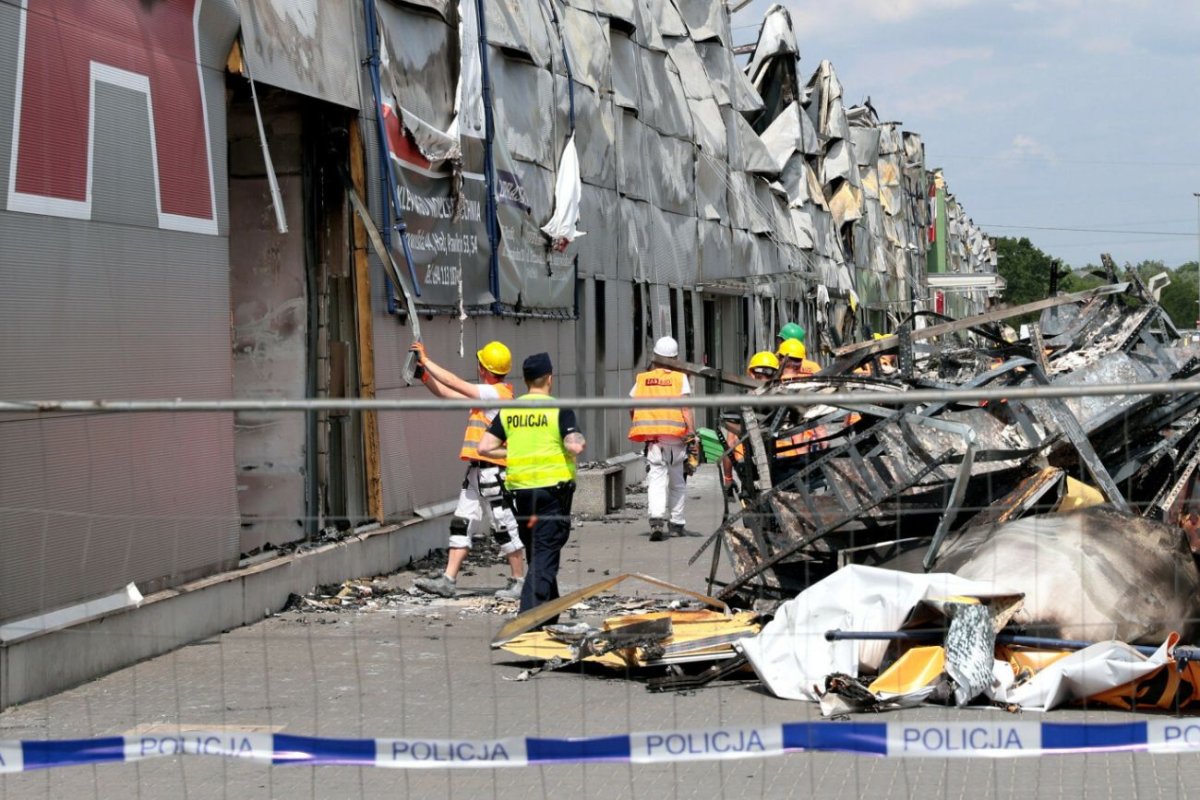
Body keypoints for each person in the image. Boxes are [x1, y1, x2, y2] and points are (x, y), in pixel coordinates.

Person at [410, 340, 526, 600]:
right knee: (462, 522)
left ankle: (519, 581)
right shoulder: (489, 394)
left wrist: (427, 360)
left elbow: (454, 383)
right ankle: (448, 580)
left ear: (485, 368)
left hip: (494, 474)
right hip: (477, 473)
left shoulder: (496, 394)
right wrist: (424, 376)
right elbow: (446, 393)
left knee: (503, 526)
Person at [478, 353, 585, 619]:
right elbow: (575, 445)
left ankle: (551, 617)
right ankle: (527, 622)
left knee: (538, 555)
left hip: (520, 495)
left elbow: (485, 447)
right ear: (550, 378)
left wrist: (513, 454)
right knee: (544, 559)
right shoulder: (558, 409)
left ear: (525, 380)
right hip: (552, 494)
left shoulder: (511, 409)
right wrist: (573, 443)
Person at [628, 336, 695, 541]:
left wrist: (643, 425)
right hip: (676, 439)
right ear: (675, 358)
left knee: (656, 480)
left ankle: (656, 520)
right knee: (677, 482)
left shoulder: (643, 379)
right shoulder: (679, 378)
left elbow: (631, 406)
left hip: (655, 441)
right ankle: (676, 523)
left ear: (655, 357)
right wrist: (692, 435)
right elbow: (685, 408)